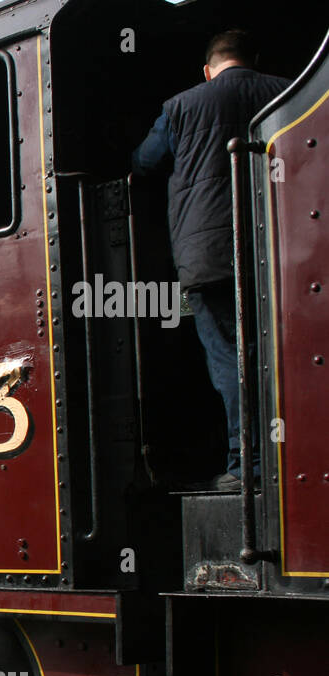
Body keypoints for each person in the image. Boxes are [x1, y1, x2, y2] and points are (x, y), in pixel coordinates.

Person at [132, 29, 289, 491]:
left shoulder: (181, 106)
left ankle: (247, 465)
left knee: (229, 362)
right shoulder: (287, 91)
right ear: (252, 60)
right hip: (282, 251)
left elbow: (144, 160)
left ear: (207, 69)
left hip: (208, 257)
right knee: (286, 355)